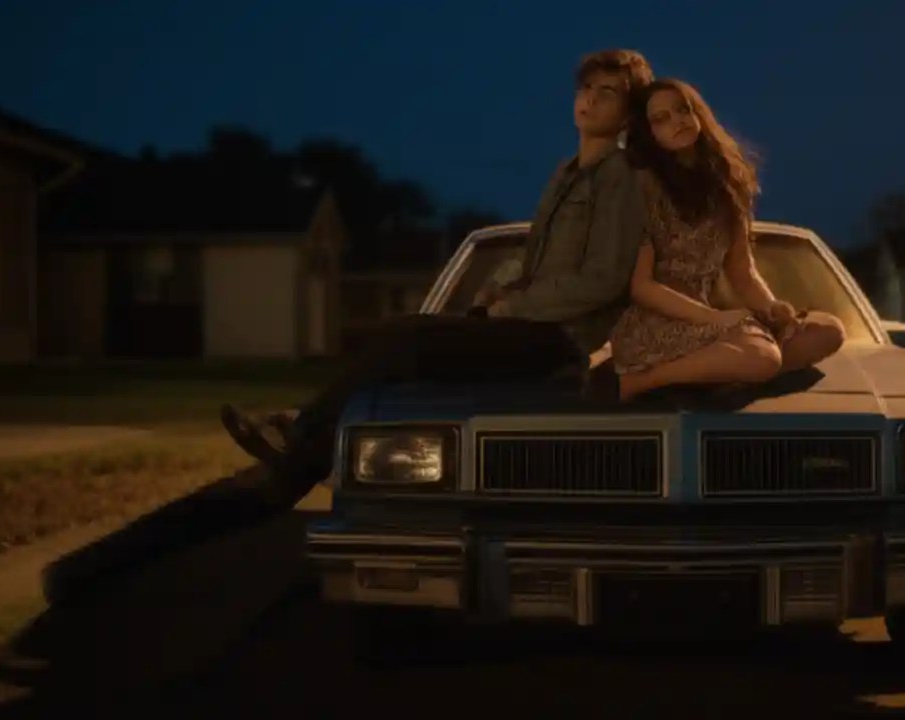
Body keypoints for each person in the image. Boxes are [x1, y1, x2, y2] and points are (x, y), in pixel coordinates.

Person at [218, 48, 656, 499]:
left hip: (559, 340)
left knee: (410, 338)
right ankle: (304, 444)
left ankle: (300, 438)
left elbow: (605, 279)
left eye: (609, 93)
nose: (591, 100)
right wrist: (496, 290)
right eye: (586, 88)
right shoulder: (564, 174)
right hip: (525, 327)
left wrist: (512, 306)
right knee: (404, 334)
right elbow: (537, 260)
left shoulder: (622, 178)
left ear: (629, 114)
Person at [606, 78, 845, 401]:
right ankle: (646, 380)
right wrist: (716, 318)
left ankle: (719, 374)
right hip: (653, 322)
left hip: (709, 325)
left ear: (699, 115)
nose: (677, 121)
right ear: (649, 134)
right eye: (661, 119)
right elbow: (641, 287)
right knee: (761, 357)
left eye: (683, 110)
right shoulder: (642, 187)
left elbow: (742, 271)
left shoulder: (726, 187)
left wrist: (772, 308)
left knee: (827, 330)